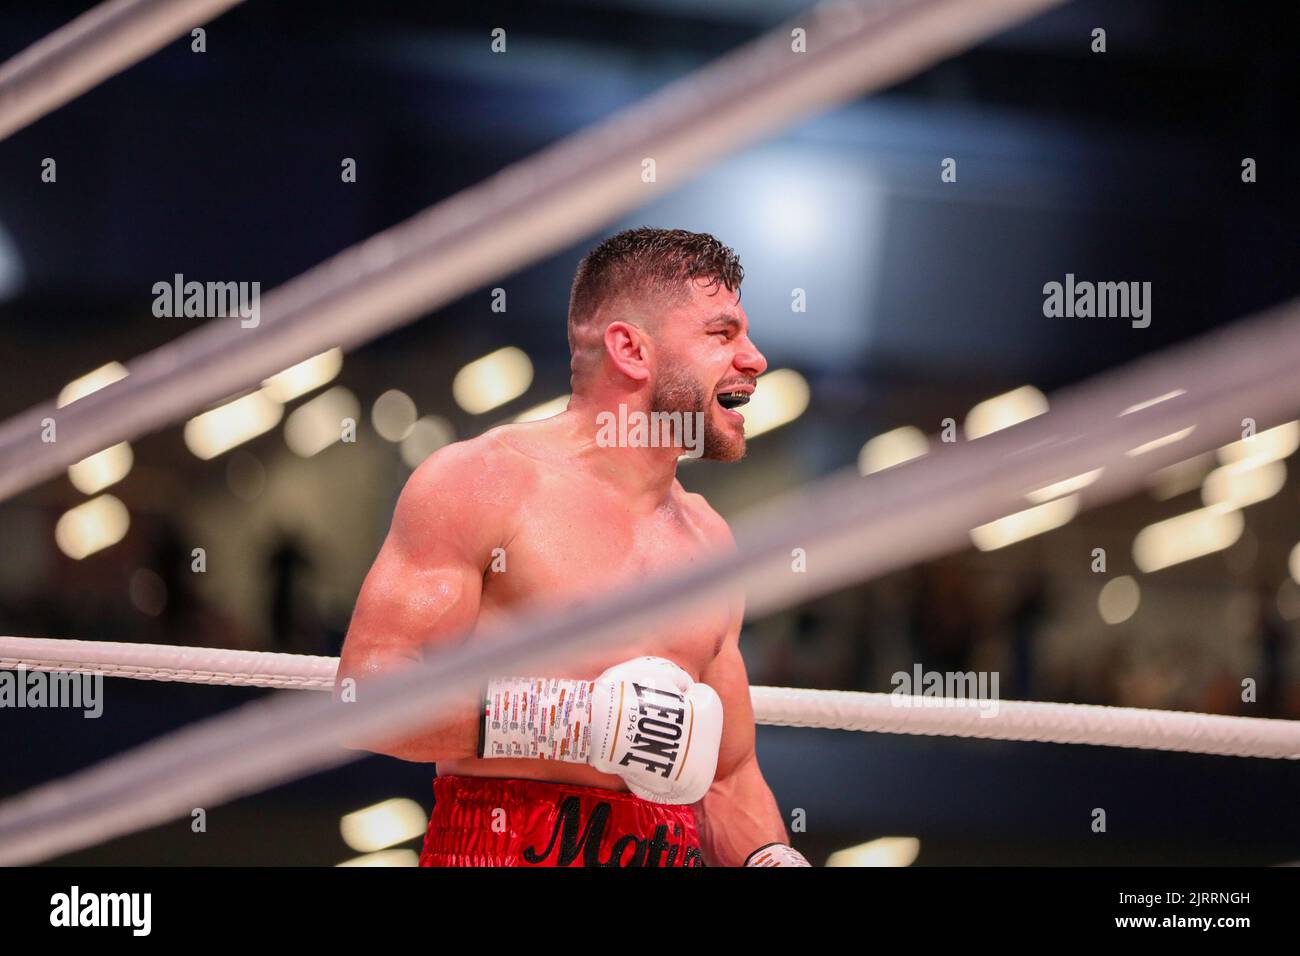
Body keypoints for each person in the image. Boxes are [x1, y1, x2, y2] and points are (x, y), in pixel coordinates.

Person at [337, 228, 808, 867]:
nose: (754, 359)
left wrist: (775, 860)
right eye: (722, 335)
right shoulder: (484, 481)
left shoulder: (708, 541)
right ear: (630, 349)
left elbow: (728, 775)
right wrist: (575, 721)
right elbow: (367, 693)